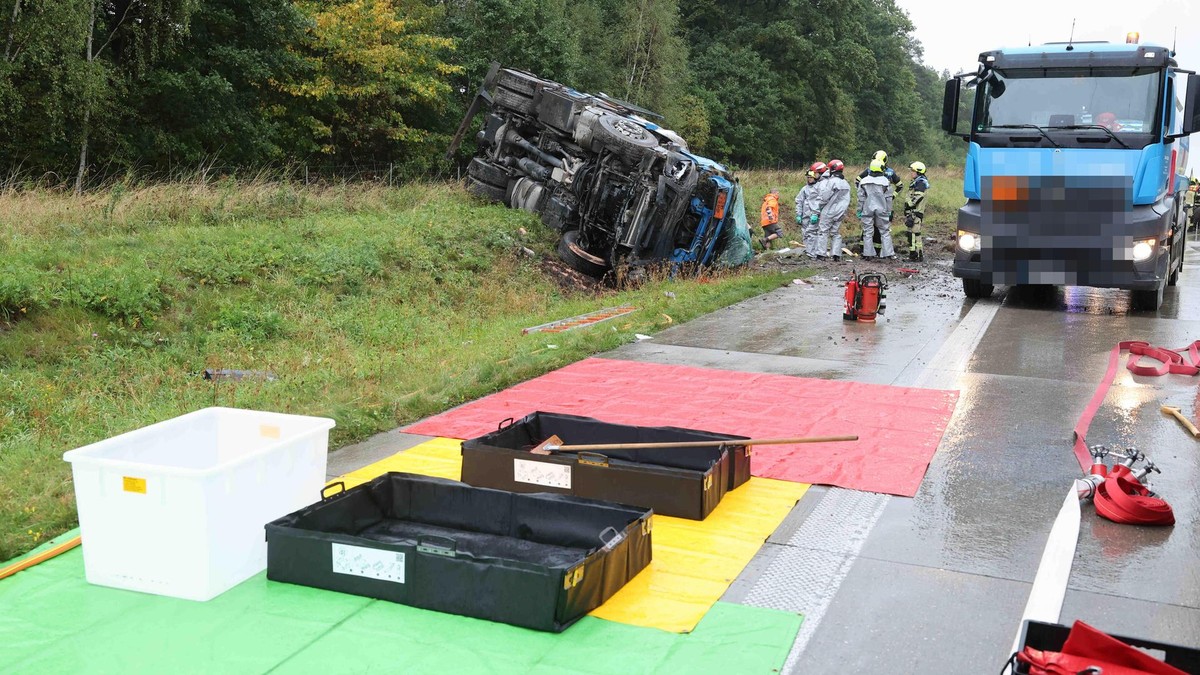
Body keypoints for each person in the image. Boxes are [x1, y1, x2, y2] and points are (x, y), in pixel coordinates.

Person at [858, 159, 895, 259]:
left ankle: (868, 254)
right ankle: (888, 254)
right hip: (882, 209)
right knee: (885, 231)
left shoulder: (863, 181)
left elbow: (861, 198)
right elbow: (888, 198)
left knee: (867, 232)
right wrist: (889, 211)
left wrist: (859, 210)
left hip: (867, 209)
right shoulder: (885, 182)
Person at [814, 159, 850, 261]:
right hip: (841, 212)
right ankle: (836, 255)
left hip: (829, 210)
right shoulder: (845, 183)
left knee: (823, 231)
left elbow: (825, 197)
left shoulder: (831, 182)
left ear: (832, 169)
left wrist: (818, 209)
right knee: (835, 232)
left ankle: (821, 254)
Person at [903, 161, 930, 261]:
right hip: (913, 212)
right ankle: (913, 255)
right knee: (911, 233)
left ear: (918, 172)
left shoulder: (921, 183)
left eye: (913, 171)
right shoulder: (917, 182)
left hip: (916, 212)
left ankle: (917, 255)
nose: (911, 172)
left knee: (915, 233)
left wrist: (909, 205)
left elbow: (918, 196)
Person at [803, 162, 828, 258]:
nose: (813, 176)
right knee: (817, 233)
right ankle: (815, 253)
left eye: (814, 173)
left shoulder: (822, 184)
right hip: (817, 212)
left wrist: (815, 213)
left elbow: (820, 200)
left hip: (818, 213)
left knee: (813, 232)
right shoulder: (823, 183)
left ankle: (813, 253)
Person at [795, 169, 819, 251]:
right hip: (805, 215)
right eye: (808, 177)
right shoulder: (804, 189)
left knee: (815, 234)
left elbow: (823, 201)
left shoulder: (819, 188)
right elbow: (799, 201)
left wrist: (817, 214)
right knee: (805, 233)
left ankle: (815, 251)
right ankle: (807, 250)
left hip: (816, 215)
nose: (809, 179)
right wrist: (798, 214)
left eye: (811, 177)